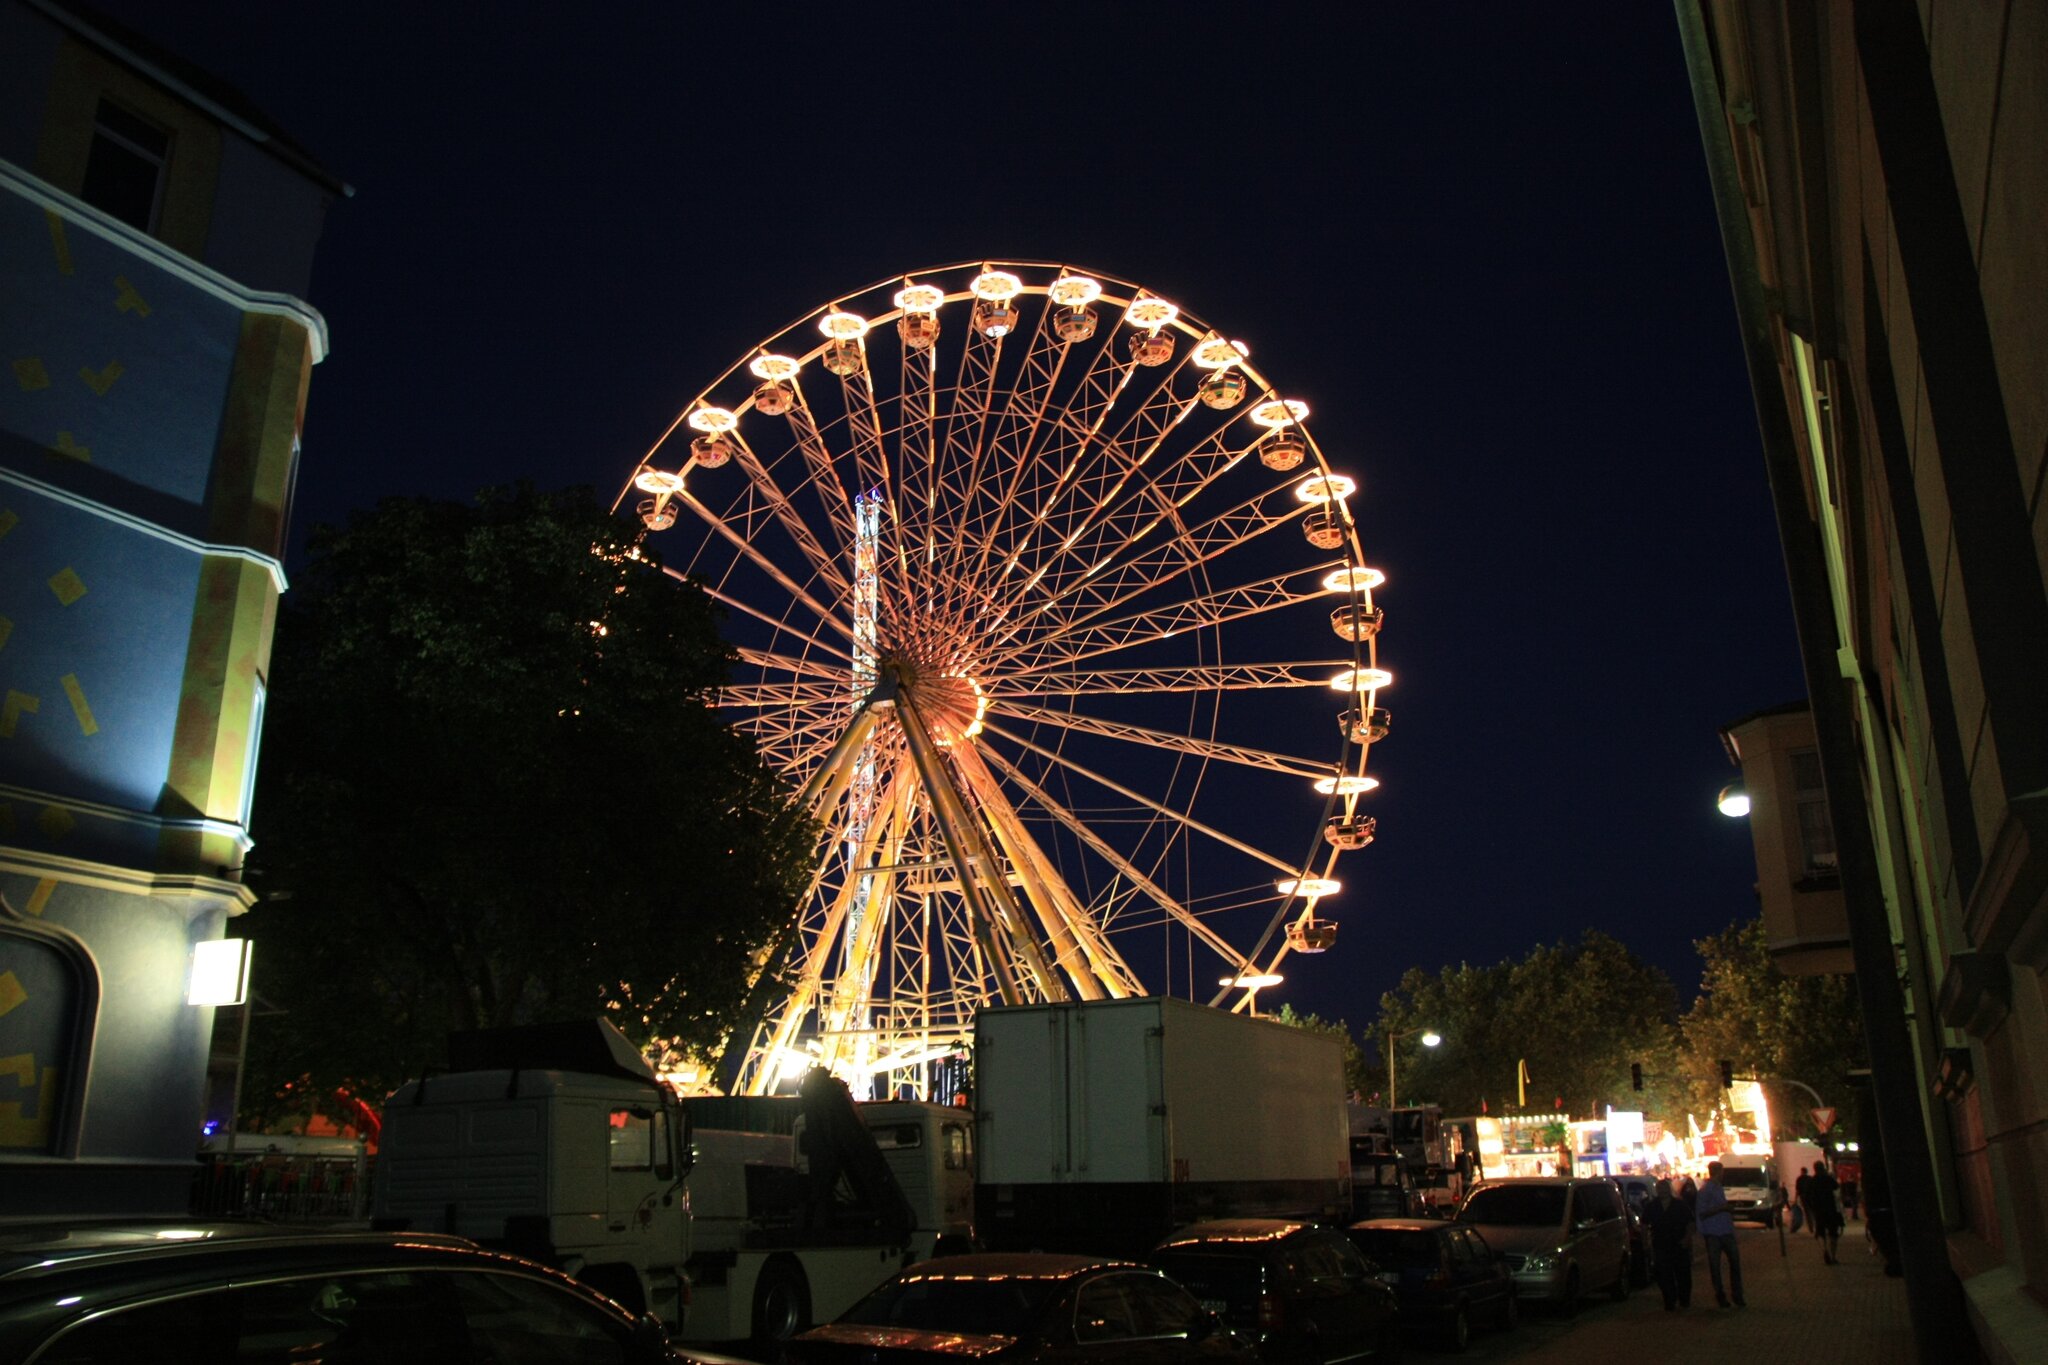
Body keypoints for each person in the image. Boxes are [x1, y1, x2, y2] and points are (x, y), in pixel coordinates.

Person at [1695, 1161, 1746, 1308]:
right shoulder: (1707, 1190)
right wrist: (1722, 1208)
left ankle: (1734, 1295)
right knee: (1718, 1266)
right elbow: (1702, 1213)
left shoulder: (1716, 1188)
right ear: (1719, 1172)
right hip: (1714, 1233)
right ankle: (1725, 1296)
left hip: (1723, 1231)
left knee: (1729, 1264)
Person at [1650, 1178, 1694, 1310]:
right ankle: (1670, 1301)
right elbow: (1644, 1224)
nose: (1662, 1191)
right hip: (1661, 1245)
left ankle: (1684, 1300)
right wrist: (1647, 1243)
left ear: (1669, 1190)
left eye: (1664, 1188)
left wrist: (1687, 1239)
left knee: (1683, 1274)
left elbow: (1690, 1222)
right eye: (1660, 1189)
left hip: (1679, 1244)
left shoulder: (1679, 1205)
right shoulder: (1652, 1206)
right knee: (1664, 1275)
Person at [1809, 1158, 1843, 1264]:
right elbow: (1836, 1188)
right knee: (1833, 1233)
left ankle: (1825, 1250)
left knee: (1820, 1232)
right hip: (1830, 1208)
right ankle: (1833, 1256)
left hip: (1818, 1210)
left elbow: (1809, 1196)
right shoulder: (1828, 1179)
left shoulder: (1812, 1181)